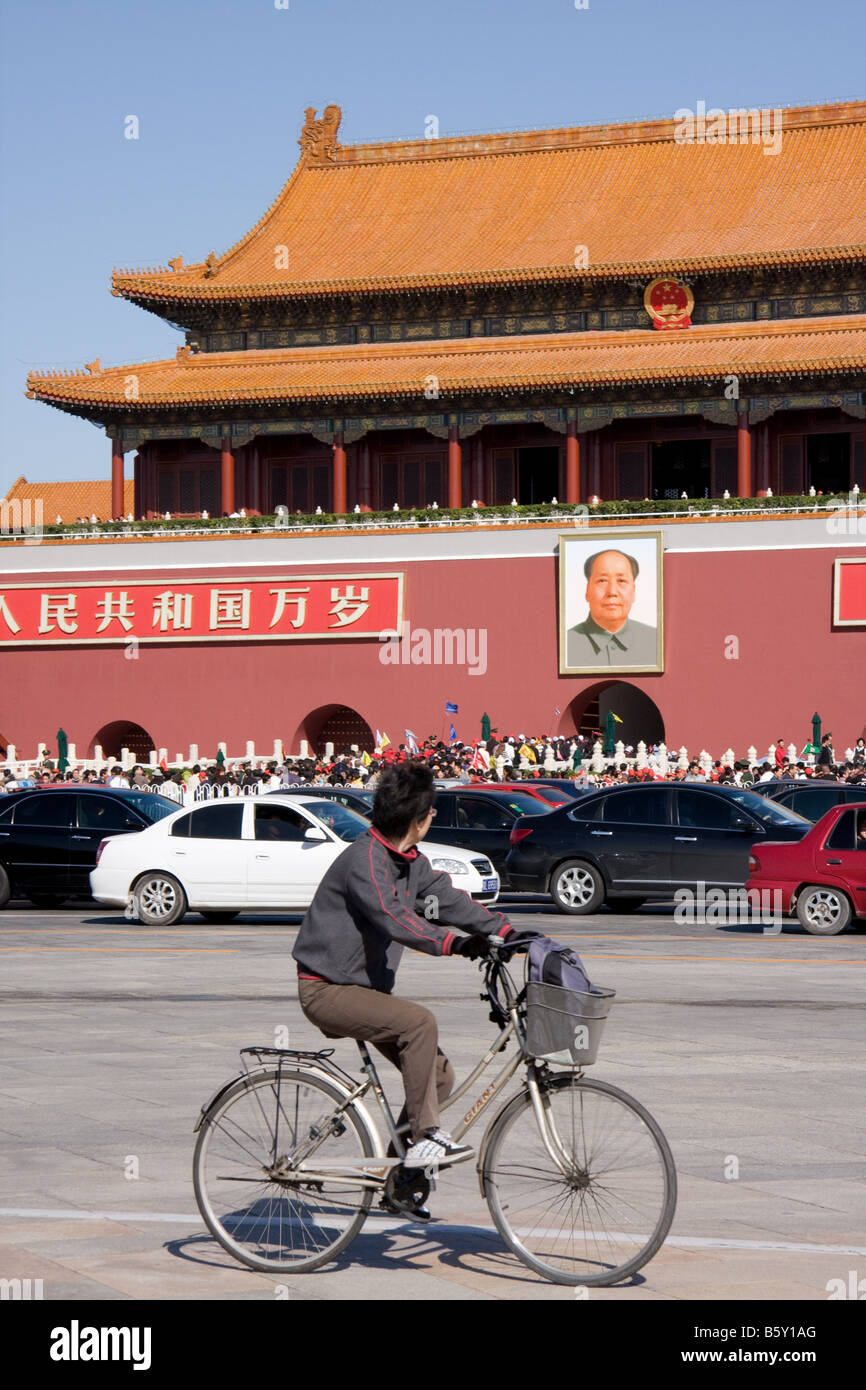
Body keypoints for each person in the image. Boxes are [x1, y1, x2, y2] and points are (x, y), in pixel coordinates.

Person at [292, 762, 530, 1192]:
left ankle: (395, 1179)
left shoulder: (408, 860)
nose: (433, 817)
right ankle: (424, 1138)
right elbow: (393, 917)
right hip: (326, 989)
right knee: (418, 1023)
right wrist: (453, 944)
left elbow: (445, 897)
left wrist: (503, 929)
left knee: (438, 1078)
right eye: (431, 812)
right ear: (416, 821)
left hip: (360, 988)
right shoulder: (366, 861)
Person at [565, 549, 658, 668]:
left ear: (633, 591)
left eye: (621, 581)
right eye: (602, 581)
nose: (612, 592)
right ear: (587, 591)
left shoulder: (656, 641)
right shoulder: (565, 645)